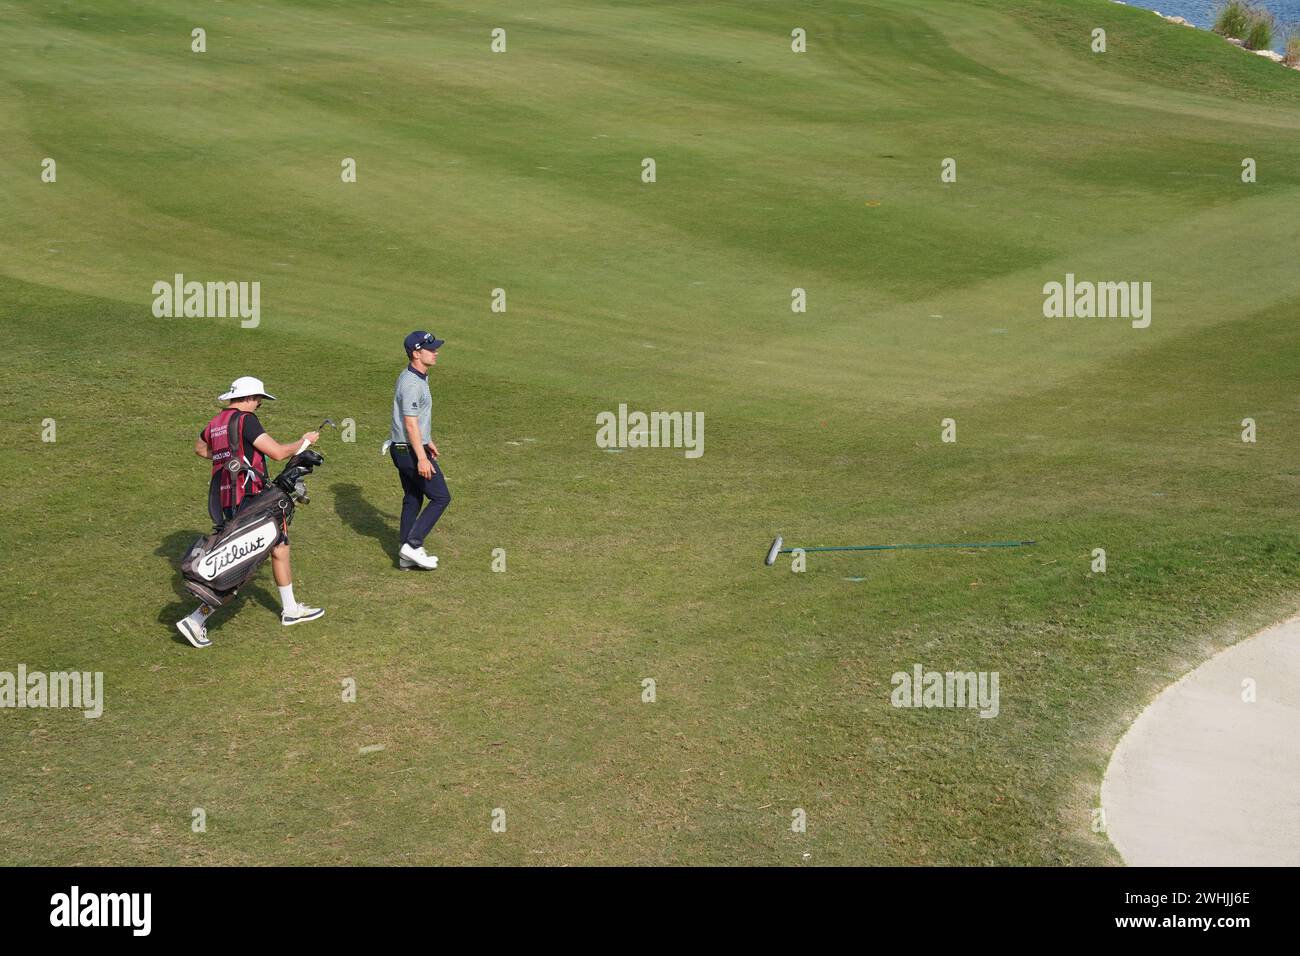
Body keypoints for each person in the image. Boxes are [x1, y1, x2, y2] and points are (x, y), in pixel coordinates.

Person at [175, 376, 324, 648]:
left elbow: (200, 449)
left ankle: (290, 609)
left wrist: (227, 454)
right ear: (248, 398)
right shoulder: (246, 420)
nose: (259, 405)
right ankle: (197, 619)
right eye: (258, 399)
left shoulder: (217, 422)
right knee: (245, 561)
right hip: (250, 495)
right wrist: (303, 443)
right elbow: (277, 453)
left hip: (224, 499)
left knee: (279, 546)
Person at [387, 331, 451, 570]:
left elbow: (417, 420)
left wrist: (428, 439)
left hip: (405, 448)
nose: (436, 352)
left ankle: (405, 556)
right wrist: (422, 458)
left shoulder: (417, 377)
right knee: (441, 496)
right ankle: (412, 544)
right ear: (416, 353)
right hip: (409, 452)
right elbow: (410, 422)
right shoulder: (412, 383)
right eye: (431, 349)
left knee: (413, 498)